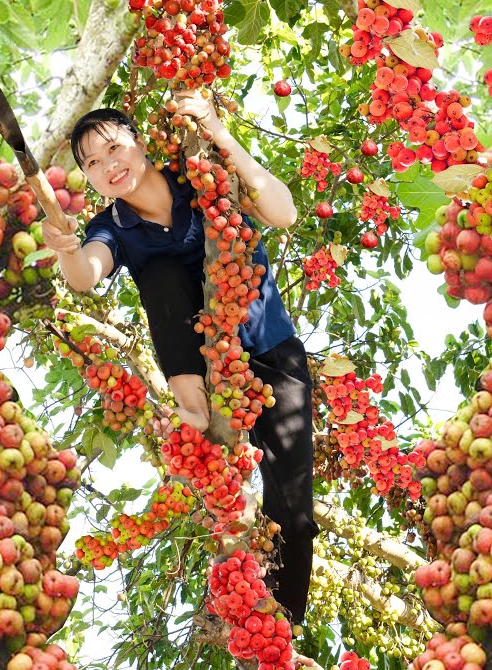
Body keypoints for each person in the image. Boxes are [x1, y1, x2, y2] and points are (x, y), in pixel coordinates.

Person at [41, 88, 318, 625]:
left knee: (294, 510)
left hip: (269, 353)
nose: (108, 166)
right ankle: (193, 405)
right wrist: (66, 249)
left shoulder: (199, 174)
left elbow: (282, 213)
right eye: (93, 164)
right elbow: (85, 277)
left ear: (140, 143)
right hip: (202, 370)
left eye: (115, 148)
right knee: (162, 274)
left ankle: (281, 626)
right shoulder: (112, 227)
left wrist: (217, 132)